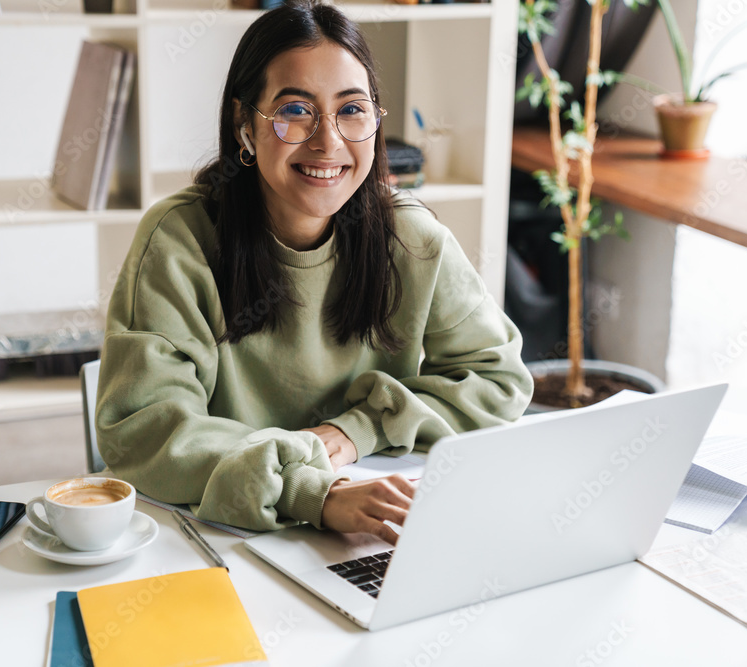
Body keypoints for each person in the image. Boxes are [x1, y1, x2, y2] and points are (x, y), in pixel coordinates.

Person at [95, 0, 533, 544]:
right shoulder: (179, 241)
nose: (328, 141)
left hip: (370, 518)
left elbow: (498, 379)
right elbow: (145, 433)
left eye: (352, 110)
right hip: (224, 533)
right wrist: (311, 491)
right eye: (296, 110)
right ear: (245, 127)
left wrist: (359, 430)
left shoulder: (412, 240)